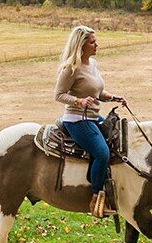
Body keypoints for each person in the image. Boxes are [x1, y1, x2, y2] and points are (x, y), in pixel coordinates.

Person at [54, 25, 126, 217]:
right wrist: (79, 100)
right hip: (77, 119)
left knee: (118, 138)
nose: (97, 45)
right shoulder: (71, 68)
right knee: (102, 153)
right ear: (81, 45)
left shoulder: (92, 64)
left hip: (93, 117)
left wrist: (113, 97)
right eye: (92, 42)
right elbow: (58, 95)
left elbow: (98, 92)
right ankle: (96, 197)